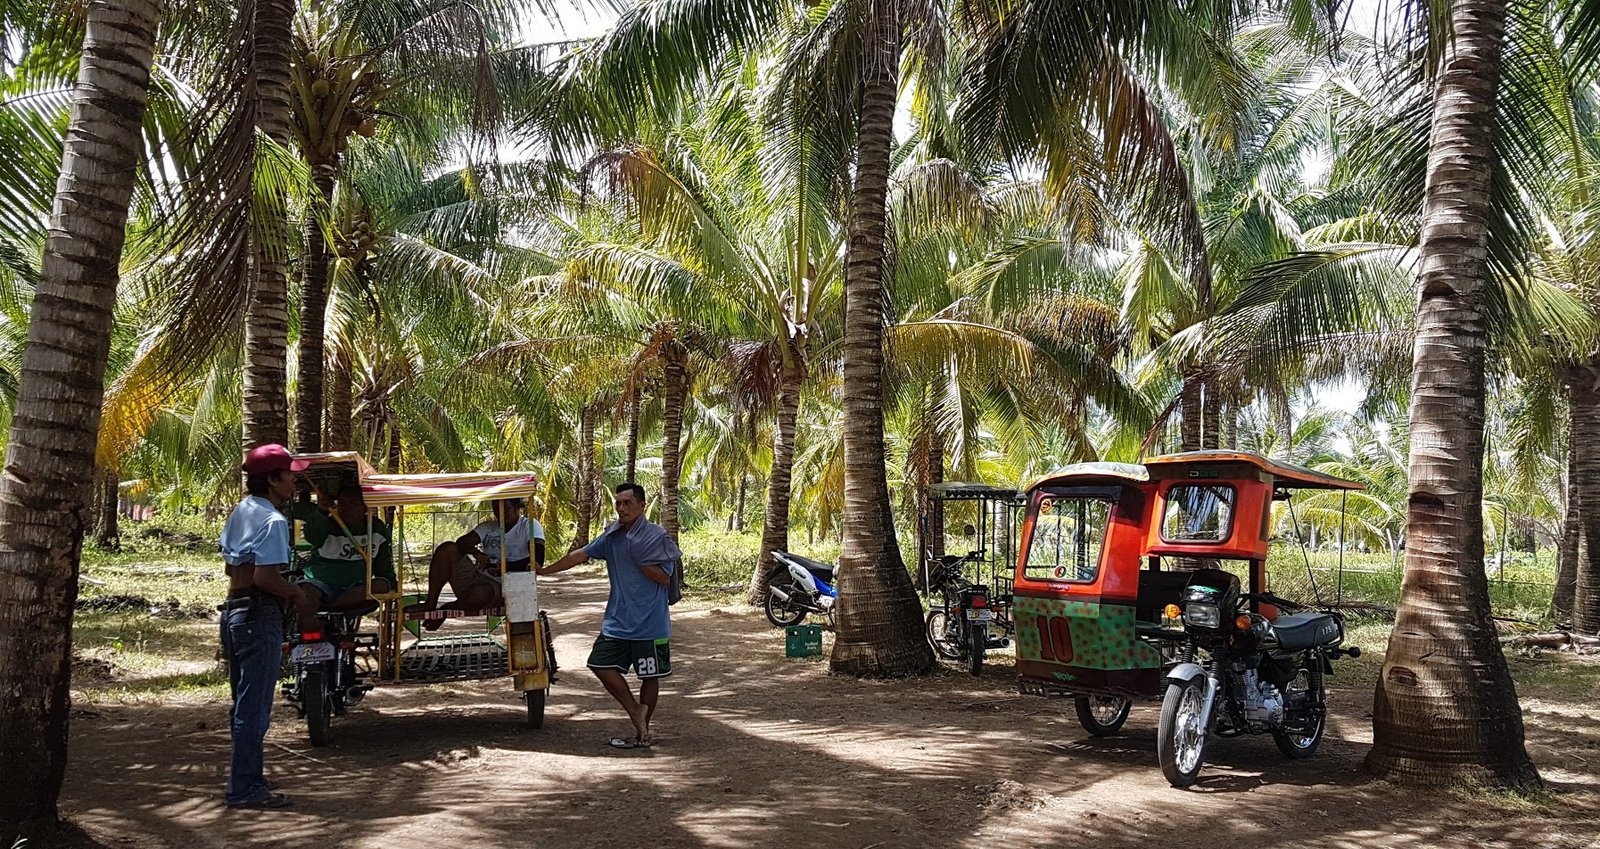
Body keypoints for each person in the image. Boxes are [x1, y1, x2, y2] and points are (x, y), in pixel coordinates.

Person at [539, 482, 679, 749]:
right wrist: (545, 571)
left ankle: (643, 732)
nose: (622, 507)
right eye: (618, 503)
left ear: (641, 505)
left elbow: (664, 578)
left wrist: (640, 556)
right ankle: (635, 710)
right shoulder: (613, 536)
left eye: (627, 502)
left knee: (650, 676)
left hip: (650, 623)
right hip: (618, 620)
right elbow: (581, 554)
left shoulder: (656, 536)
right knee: (599, 663)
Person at [220, 444, 311, 809]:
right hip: (260, 614)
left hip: (234, 610)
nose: (294, 481)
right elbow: (265, 577)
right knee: (254, 707)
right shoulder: (273, 520)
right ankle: (244, 788)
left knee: (242, 703)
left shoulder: (241, 511)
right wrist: (295, 593)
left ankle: (248, 775)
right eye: (289, 475)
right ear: (273, 479)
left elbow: (234, 568)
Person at [415, 498, 545, 620]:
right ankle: (430, 602)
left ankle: (448, 608)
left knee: (480, 593)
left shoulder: (530, 526)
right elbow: (462, 542)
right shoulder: (488, 527)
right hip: (478, 576)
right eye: (495, 509)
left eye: (505, 509)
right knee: (447, 548)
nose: (499, 513)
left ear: (517, 508)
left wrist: (505, 568)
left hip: (506, 585)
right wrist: (477, 553)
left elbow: (537, 561)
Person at [288, 483, 394, 629]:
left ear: (365, 507)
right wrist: (322, 512)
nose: (345, 508)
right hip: (320, 584)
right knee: (306, 590)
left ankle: (329, 608)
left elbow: (383, 565)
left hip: (355, 588)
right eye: (342, 502)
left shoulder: (376, 528)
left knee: (381, 585)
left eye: (353, 503)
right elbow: (313, 536)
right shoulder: (327, 523)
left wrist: (392, 585)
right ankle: (306, 629)